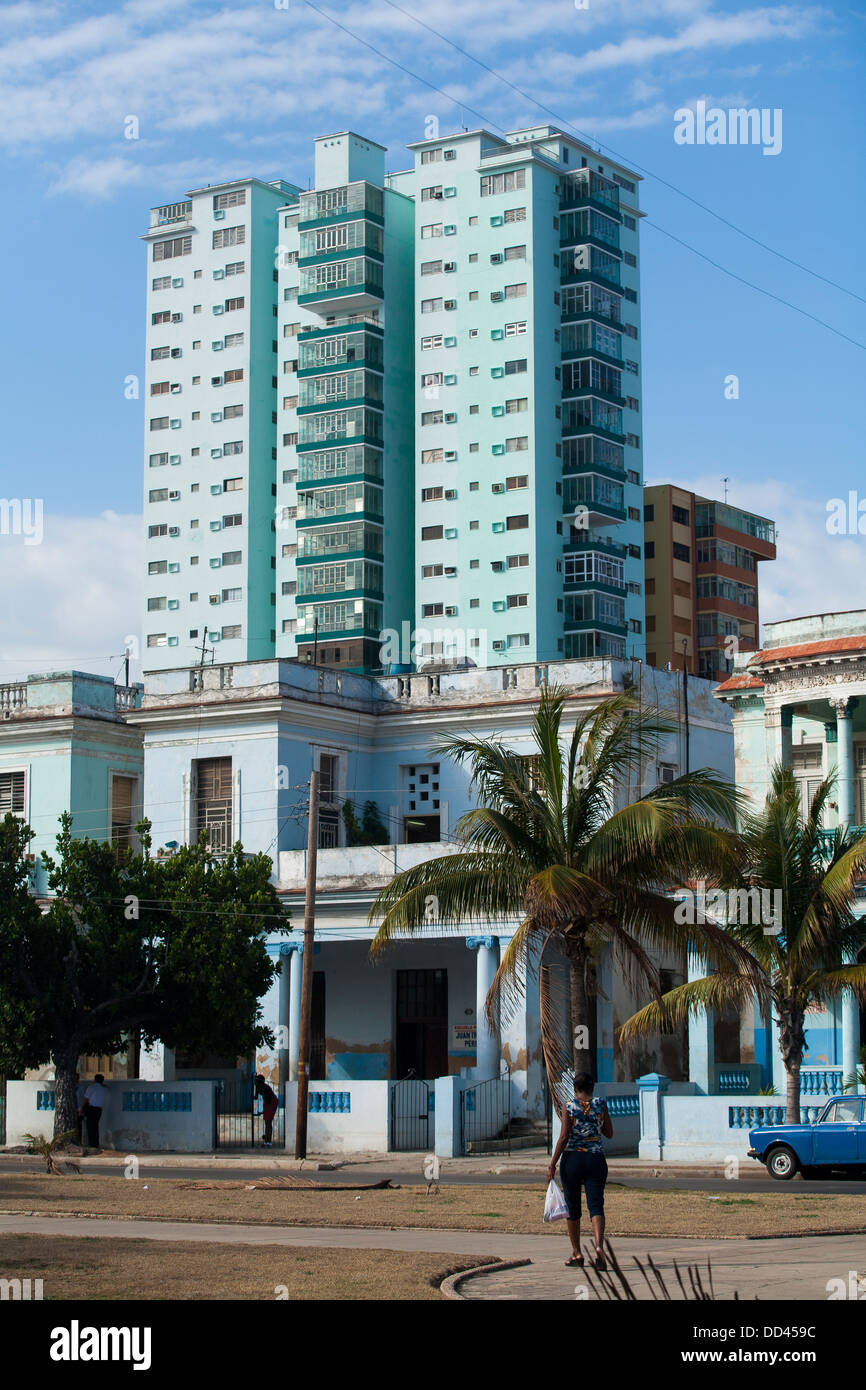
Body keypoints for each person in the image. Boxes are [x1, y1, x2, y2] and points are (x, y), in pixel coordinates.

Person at [547, 1071, 613, 1269]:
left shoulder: (569, 1106)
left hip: (573, 1160)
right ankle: (599, 1246)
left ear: (575, 1088)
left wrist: (552, 1164)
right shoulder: (600, 1104)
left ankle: (577, 1253)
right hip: (595, 1159)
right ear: (592, 1088)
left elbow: (564, 1136)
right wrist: (596, 1124)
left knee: (573, 1207)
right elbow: (609, 1133)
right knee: (596, 1205)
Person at [79, 1073, 106, 1153]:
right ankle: (95, 1143)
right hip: (99, 1110)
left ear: (95, 1080)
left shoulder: (91, 1087)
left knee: (90, 1127)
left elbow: (86, 1099)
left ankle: (91, 1144)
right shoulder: (104, 1088)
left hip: (91, 1109)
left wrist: (81, 1108)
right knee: (95, 1126)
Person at [254, 1074, 279, 1146]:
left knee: (268, 1122)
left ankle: (268, 1141)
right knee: (267, 1123)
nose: (255, 1082)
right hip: (267, 1103)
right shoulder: (257, 1087)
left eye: (256, 1080)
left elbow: (270, 1100)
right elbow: (255, 1097)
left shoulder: (265, 1087)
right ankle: (266, 1141)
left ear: (260, 1082)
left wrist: (263, 1111)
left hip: (272, 1102)